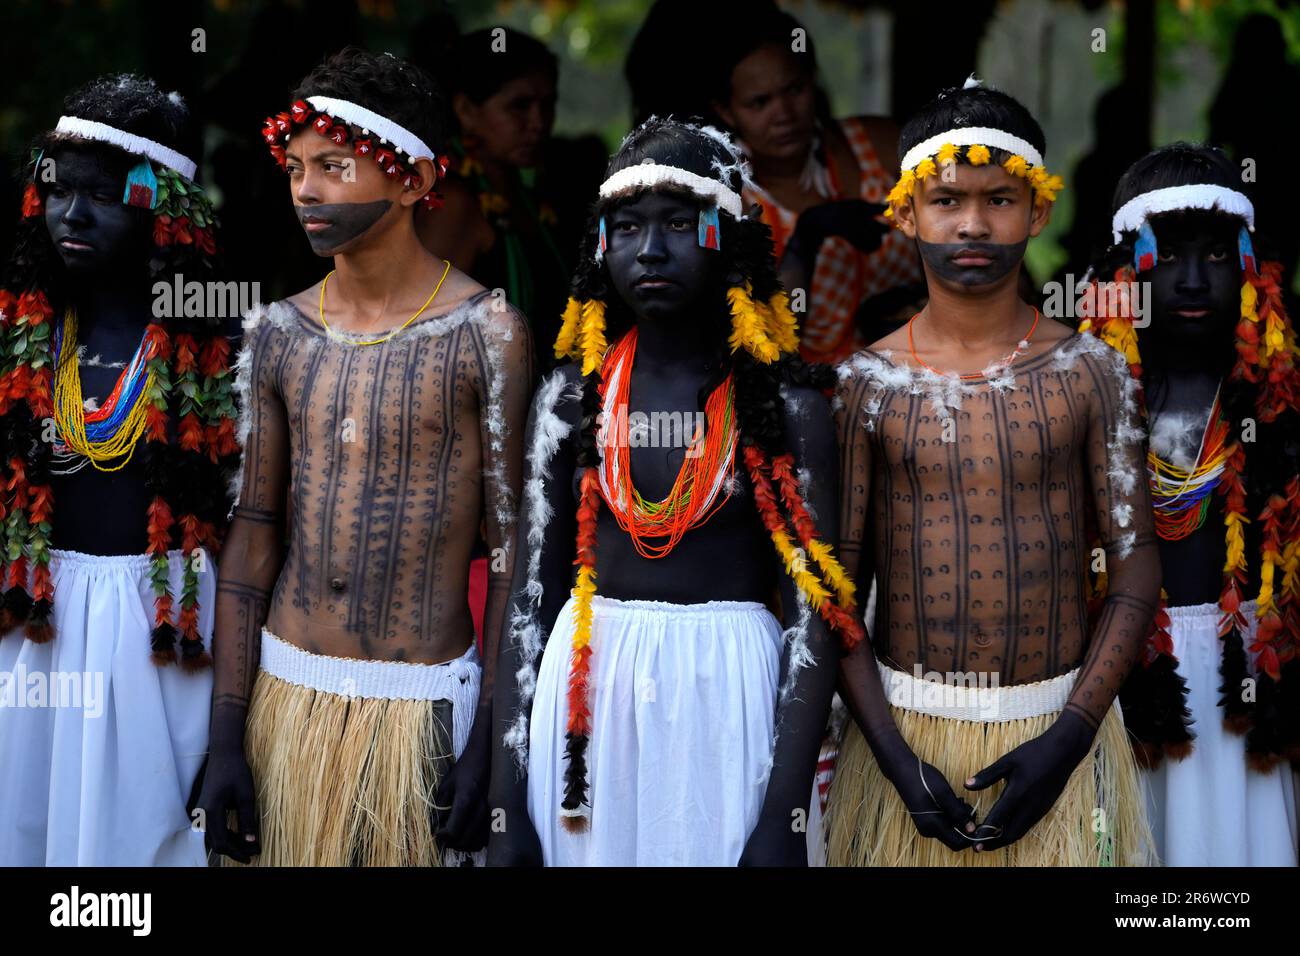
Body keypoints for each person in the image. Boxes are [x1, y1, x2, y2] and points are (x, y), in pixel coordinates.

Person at [487, 118, 864, 866]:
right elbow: (530, 598)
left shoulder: (787, 407)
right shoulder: (571, 398)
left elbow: (813, 618)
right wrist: (507, 800)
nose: (651, 250)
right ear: (602, 247)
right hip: (588, 702)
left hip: (729, 700)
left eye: (680, 226)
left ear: (731, 240)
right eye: (627, 228)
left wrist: (784, 810)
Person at [195, 48, 531, 867]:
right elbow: (253, 536)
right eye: (297, 167)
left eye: (335, 167)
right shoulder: (278, 332)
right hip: (290, 695)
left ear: (414, 180)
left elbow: (518, 553)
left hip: (419, 705)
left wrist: (492, 741)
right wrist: (229, 735)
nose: (306, 191)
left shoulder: (487, 334)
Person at [825, 79, 1158, 866]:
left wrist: (1072, 735)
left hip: (1057, 731)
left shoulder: (1090, 372)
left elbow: (1137, 566)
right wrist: (893, 760)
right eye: (946, 200)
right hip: (908, 739)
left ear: (1038, 211)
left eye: (999, 199)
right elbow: (832, 589)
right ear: (905, 212)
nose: (972, 223)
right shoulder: (864, 383)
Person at [0, 75, 237, 865]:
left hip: (163, 633)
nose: (73, 212)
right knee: (26, 831)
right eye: (60, 190)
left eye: (103, 195)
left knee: (140, 849)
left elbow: (249, 536)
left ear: (164, 207)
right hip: (35, 626)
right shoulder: (22, 329)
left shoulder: (220, 348)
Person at [1079, 143, 1300, 865]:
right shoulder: (1083, 404)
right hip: (1121, 680)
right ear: (1124, 273)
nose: (1197, 278)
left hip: (1252, 687)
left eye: (1216, 253)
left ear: (1251, 268)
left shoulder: (1281, 412)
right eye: (1169, 256)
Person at [710, 5, 922, 365]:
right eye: (759, 102)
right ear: (727, 112)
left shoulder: (879, 145)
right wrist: (806, 241)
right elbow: (765, 346)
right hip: (806, 407)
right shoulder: (731, 204)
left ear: (813, 81)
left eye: (794, 89)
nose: (783, 114)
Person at [419, 27, 573, 372]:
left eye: (548, 105)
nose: (539, 123)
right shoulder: (456, 202)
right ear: (466, 110)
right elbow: (423, 338)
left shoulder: (526, 196)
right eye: (520, 106)